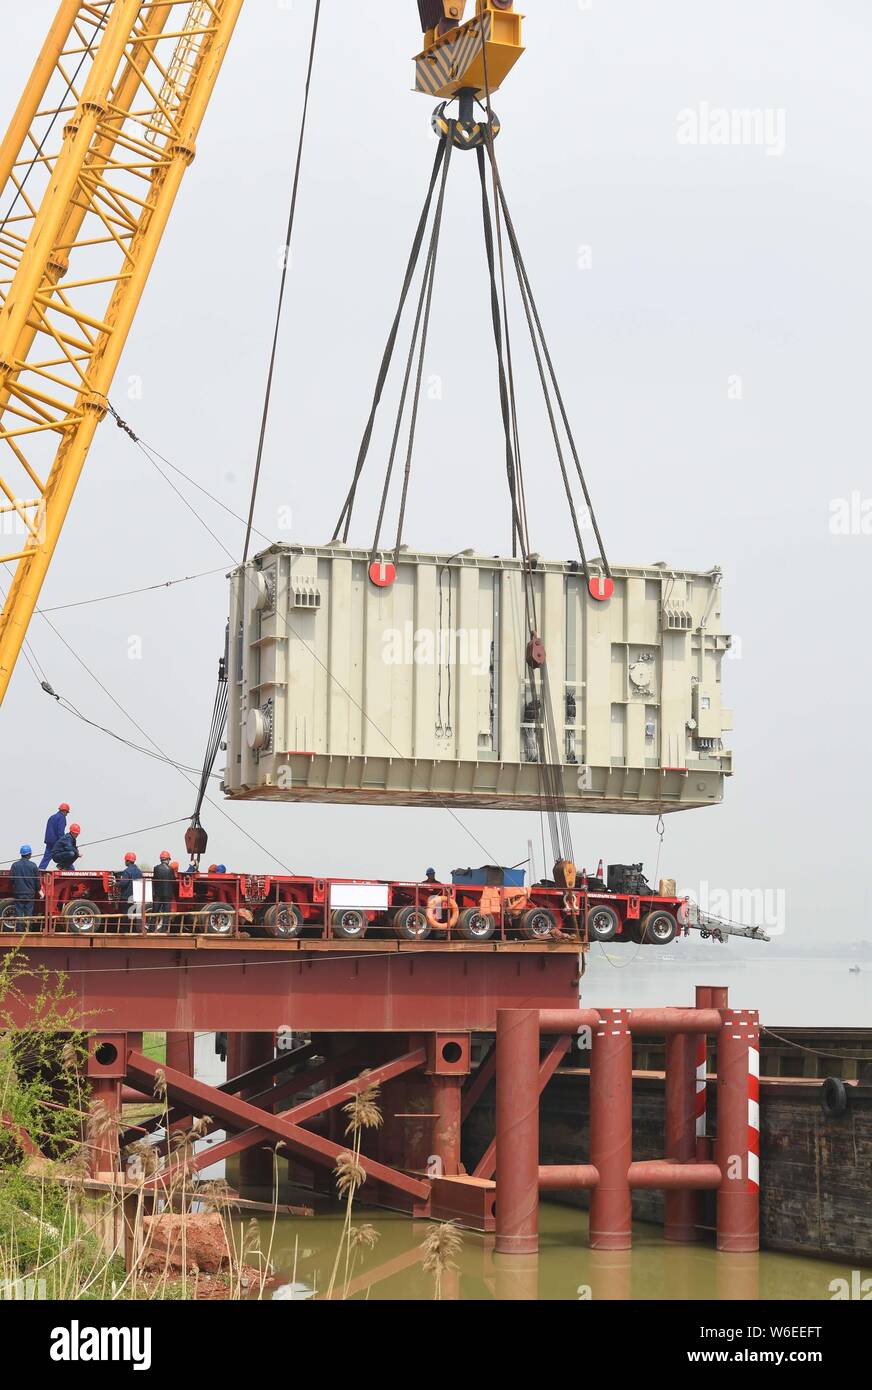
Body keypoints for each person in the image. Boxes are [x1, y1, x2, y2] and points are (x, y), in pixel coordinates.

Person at [10, 846, 41, 930]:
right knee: (29, 912)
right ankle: (28, 929)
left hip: (18, 893)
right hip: (29, 893)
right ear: (29, 854)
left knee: (19, 912)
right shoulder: (33, 866)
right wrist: (38, 889)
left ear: (21, 854)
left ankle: (20, 930)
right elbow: (37, 881)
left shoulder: (15, 865)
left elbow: (12, 880)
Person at [39, 803, 70, 870]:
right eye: (67, 812)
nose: (67, 814)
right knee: (66, 854)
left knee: (47, 856)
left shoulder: (52, 817)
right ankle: (70, 869)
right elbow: (60, 832)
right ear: (64, 811)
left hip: (49, 840)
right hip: (56, 841)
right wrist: (64, 842)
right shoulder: (62, 817)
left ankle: (41, 868)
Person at [151, 850, 176, 932]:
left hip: (158, 894)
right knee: (166, 913)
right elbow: (173, 881)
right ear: (168, 859)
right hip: (167, 895)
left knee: (155, 912)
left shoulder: (156, 868)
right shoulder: (170, 869)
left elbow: (154, 880)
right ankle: (164, 929)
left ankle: (151, 929)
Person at [117, 851, 143, 930]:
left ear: (128, 861)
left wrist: (116, 883)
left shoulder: (127, 871)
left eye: (125, 860)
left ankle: (126, 930)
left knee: (126, 915)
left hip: (126, 897)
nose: (125, 862)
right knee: (135, 914)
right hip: (136, 897)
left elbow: (124, 883)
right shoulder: (139, 871)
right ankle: (134, 930)